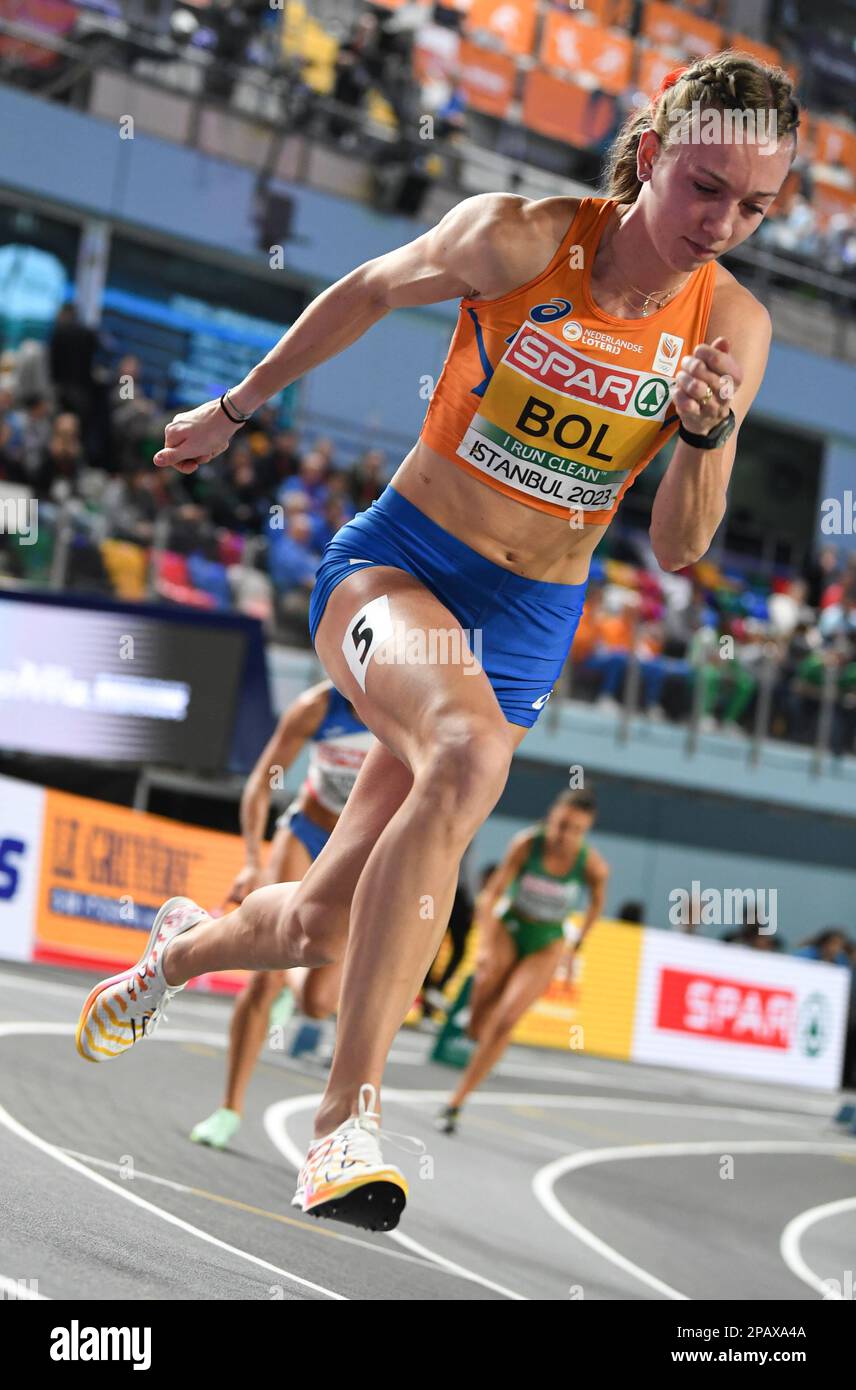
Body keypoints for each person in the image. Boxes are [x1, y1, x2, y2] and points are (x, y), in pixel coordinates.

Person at [76, 52, 800, 1232]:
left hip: (528, 620)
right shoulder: (520, 241)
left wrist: (705, 438)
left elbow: (680, 549)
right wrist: (235, 407)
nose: (721, 223)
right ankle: (343, 1125)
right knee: (468, 756)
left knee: (315, 921)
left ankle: (176, 953)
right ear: (654, 151)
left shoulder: (731, 322)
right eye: (704, 187)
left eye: (754, 207)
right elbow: (366, 289)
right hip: (399, 564)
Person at [189, 679, 375, 1150]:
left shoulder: (407, 708)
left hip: (358, 853)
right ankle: (228, 1107)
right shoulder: (316, 706)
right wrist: (253, 859)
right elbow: (259, 783)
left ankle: (296, 976)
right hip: (306, 833)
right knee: (261, 972)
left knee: (317, 1003)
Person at [436, 790, 608, 1134]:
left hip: (547, 940)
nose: (565, 835)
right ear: (551, 817)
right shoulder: (527, 844)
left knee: (508, 1018)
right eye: (561, 825)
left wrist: (575, 946)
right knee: (479, 1019)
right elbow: (491, 895)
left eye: (576, 830)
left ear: (586, 831)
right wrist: (484, 944)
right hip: (510, 926)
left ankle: (457, 1102)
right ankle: (475, 1024)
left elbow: (595, 907)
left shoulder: (592, 866)